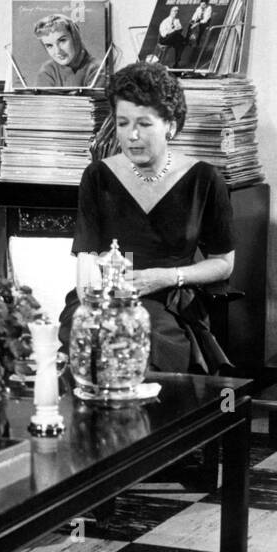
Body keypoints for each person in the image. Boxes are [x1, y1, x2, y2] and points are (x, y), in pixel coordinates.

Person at [60, 62, 235, 373]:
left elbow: (223, 263)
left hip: (166, 298)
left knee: (146, 341)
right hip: (103, 296)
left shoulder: (204, 179)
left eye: (144, 123)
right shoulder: (98, 176)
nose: (133, 136)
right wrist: (95, 305)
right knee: (92, 338)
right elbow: (87, 257)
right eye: (123, 123)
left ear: (170, 124)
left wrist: (167, 277)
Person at [33, 14, 104, 88]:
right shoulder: (48, 71)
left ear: (75, 38)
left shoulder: (98, 69)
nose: (57, 51)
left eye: (62, 40)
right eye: (49, 46)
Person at [185, 0, 214, 68]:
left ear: (206, 4)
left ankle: (198, 41)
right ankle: (187, 39)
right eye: (201, 4)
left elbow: (206, 19)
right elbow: (195, 16)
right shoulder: (198, 8)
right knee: (190, 26)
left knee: (201, 28)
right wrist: (193, 21)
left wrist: (197, 23)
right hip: (198, 21)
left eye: (204, 5)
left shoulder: (209, 8)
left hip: (204, 22)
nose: (202, 6)